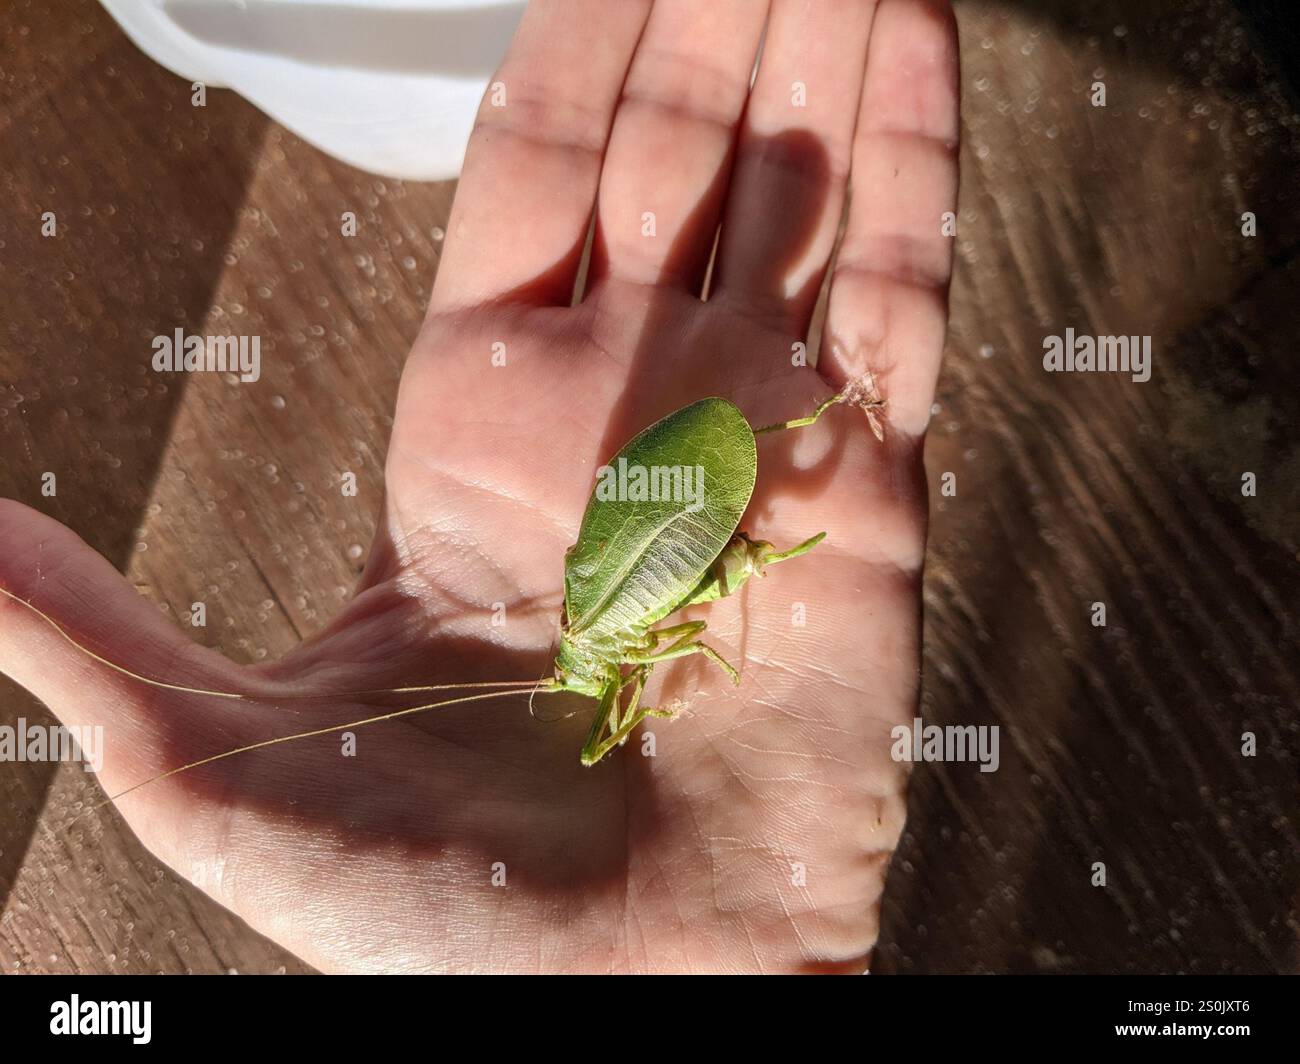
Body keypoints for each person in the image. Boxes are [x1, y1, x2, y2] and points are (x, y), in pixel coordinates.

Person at [0, 0, 958, 973]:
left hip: (664, 536)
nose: (596, 701)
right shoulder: (587, 622)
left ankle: (792, 452)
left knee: (741, 557)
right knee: (736, 554)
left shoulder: (600, 638)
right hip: (661, 533)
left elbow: (651, 631)